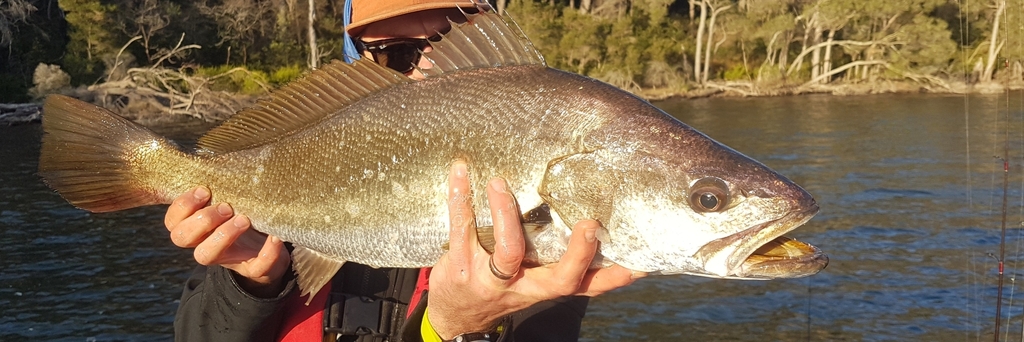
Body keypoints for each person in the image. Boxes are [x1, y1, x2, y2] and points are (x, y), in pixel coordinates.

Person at [169, 1, 642, 341]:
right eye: (396, 54)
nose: (428, 71)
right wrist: (253, 282)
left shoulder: (555, 246)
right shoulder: (275, 184)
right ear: (355, 61)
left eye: (453, 41)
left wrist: (455, 325)